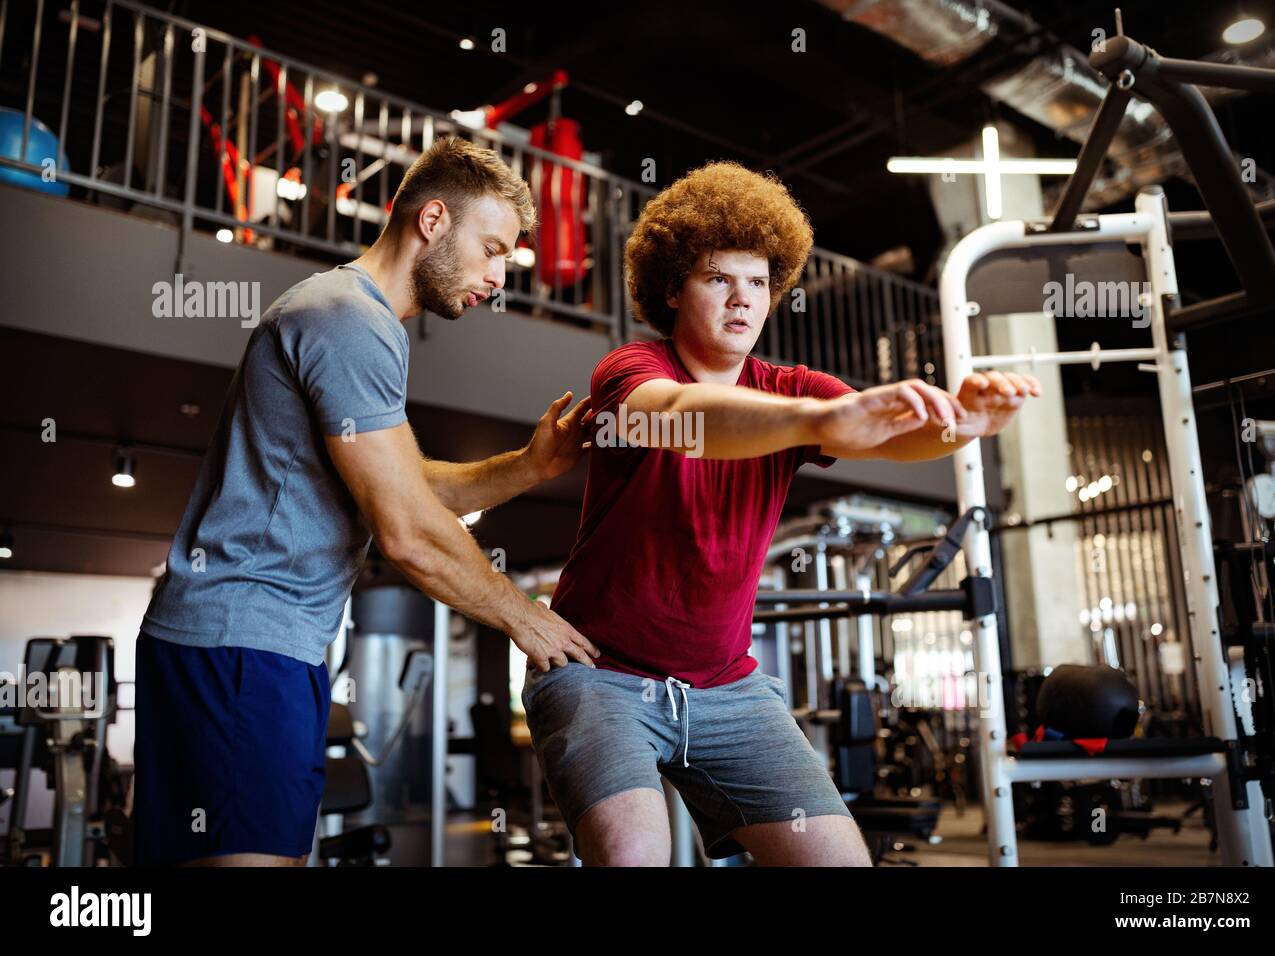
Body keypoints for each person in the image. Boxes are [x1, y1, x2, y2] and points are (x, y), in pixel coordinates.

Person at [524, 161, 1040, 866]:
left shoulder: (794, 390)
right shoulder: (633, 370)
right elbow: (678, 418)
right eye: (718, 279)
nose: (743, 300)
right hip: (598, 674)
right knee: (631, 857)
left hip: (727, 686)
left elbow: (894, 434)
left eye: (759, 283)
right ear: (673, 289)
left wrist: (970, 421)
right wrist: (818, 419)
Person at [133, 136, 600, 867]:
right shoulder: (349, 320)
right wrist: (523, 617)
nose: (498, 276)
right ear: (434, 220)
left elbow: (414, 485)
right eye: (492, 248)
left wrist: (531, 466)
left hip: (245, 644)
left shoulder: (352, 314)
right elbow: (408, 531)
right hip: (245, 646)